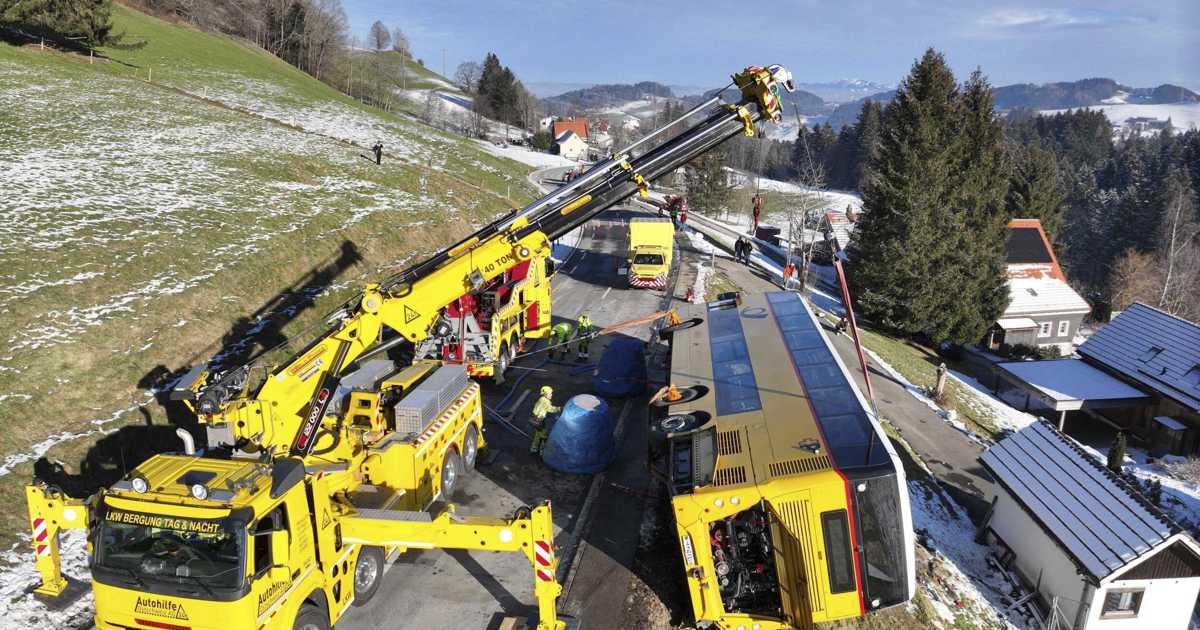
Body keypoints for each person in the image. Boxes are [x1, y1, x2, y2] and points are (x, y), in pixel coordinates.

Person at [529, 385, 560, 455]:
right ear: (545, 394)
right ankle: (542, 450)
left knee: (537, 434)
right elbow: (551, 409)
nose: (551, 395)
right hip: (540, 420)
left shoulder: (541, 399)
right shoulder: (546, 402)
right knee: (544, 436)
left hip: (534, 418)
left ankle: (534, 448)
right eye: (550, 394)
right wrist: (559, 408)